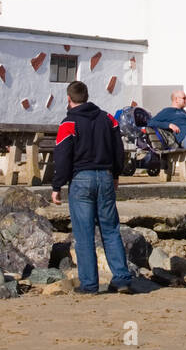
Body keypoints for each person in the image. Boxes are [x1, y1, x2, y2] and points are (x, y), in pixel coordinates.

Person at [50, 80, 134, 294]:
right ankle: (122, 278)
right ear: (87, 96)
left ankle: (89, 284)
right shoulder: (107, 119)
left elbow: (62, 156)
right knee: (110, 229)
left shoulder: (68, 123)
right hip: (105, 176)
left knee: (84, 233)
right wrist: (116, 173)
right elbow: (118, 148)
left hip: (81, 179)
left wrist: (57, 185)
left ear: (69, 99)